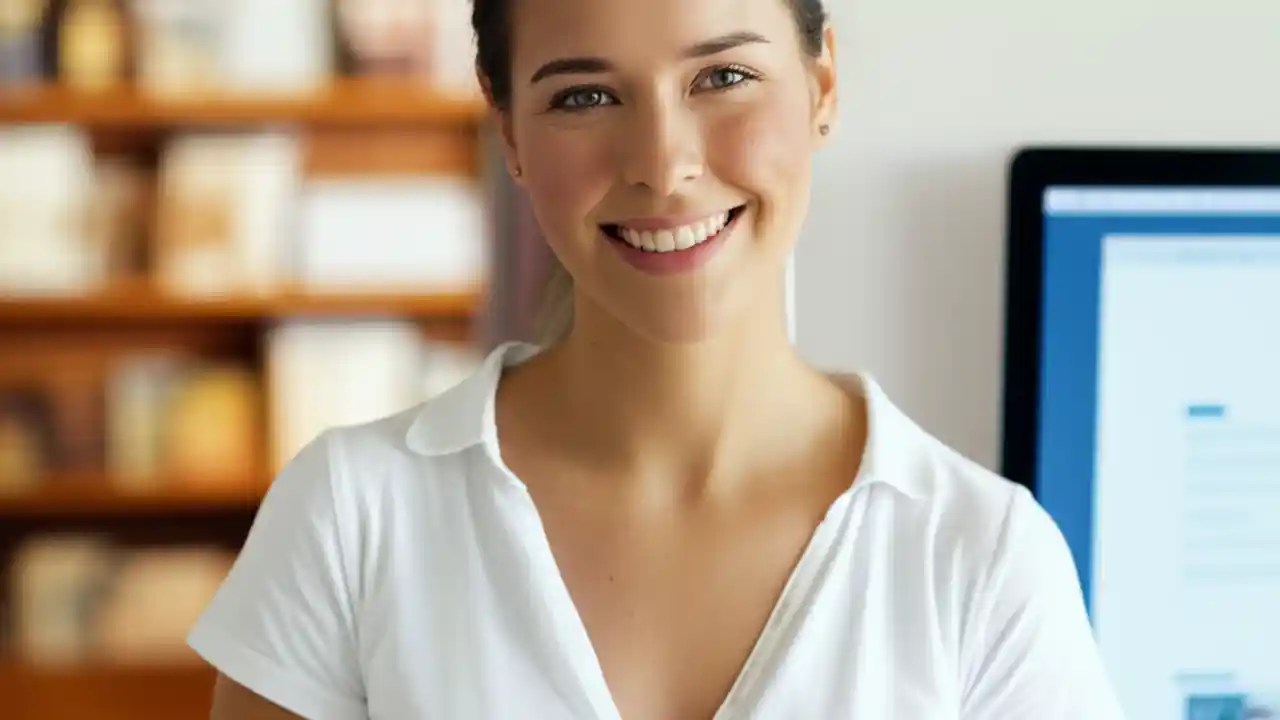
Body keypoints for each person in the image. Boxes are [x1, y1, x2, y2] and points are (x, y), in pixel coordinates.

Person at [189, 0, 1127, 717]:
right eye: (584, 96)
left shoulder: (980, 558)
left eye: (721, 78)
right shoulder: (353, 519)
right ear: (510, 133)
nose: (662, 162)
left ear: (823, 86)